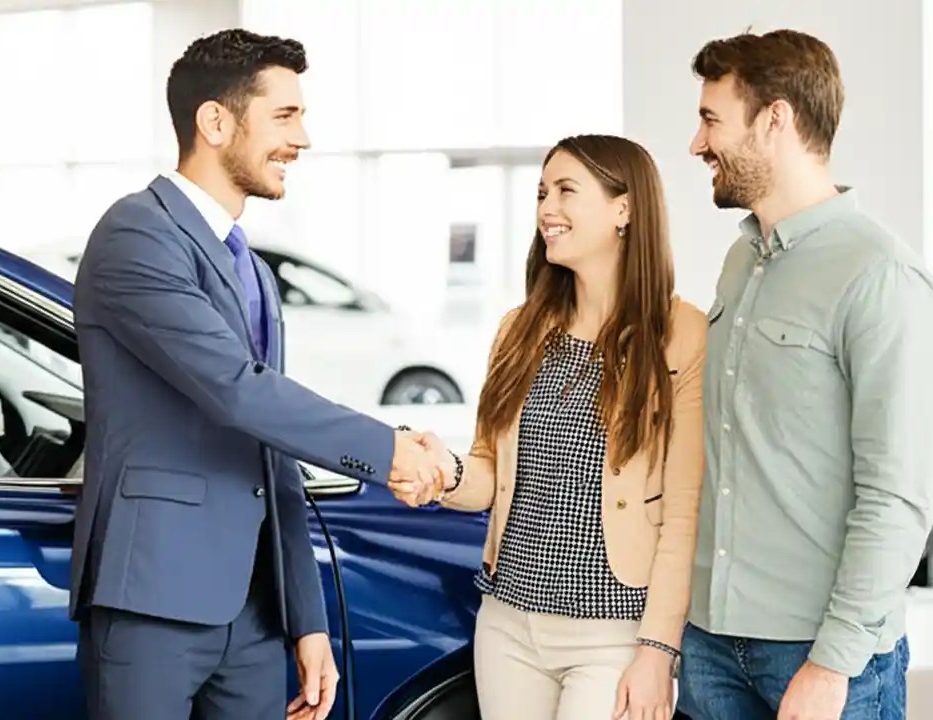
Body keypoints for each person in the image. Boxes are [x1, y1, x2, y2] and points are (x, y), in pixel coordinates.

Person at [69, 28, 446, 720]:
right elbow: (238, 391)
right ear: (215, 121)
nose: (301, 139)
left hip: (252, 613)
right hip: (153, 598)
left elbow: (269, 452)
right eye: (285, 116)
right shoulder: (135, 236)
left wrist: (306, 620)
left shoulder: (251, 267)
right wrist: (390, 449)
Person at [391, 134, 707, 719]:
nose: (546, 210)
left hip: (612, 633)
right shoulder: (520, 329)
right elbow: (490, 470)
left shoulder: (681, 334)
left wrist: (657, 651)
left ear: (624, 208)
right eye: (541, 192)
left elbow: (684, 513)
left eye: (566, 191)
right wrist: (446, 470)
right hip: (509, 624)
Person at [677, 29, 933, 720]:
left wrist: (833, 663)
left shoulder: (880, 275)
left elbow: (899, 495)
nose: (697, 145)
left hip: (819, 657)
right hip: (710, 644)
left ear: (775, 119)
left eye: (710, 120)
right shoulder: (741, 261)